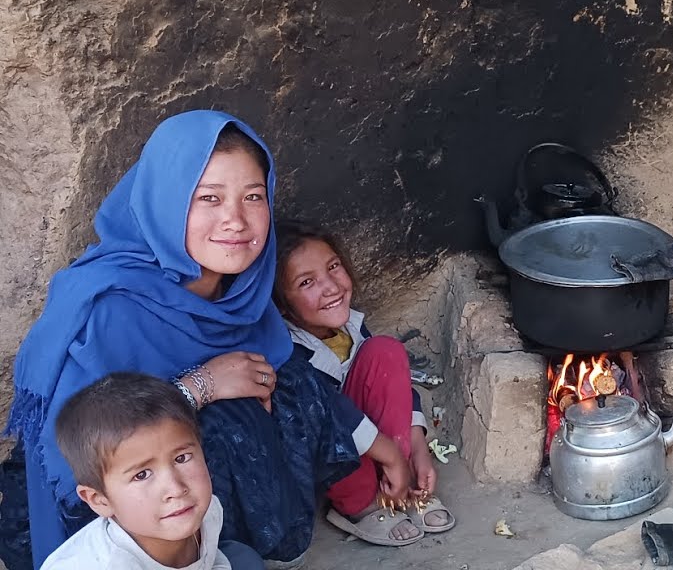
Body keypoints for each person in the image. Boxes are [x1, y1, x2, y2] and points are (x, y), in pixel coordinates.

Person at [4, 111, 418, 569]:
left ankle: (238, 546)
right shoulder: (110, 309)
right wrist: (201, 386)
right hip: (105, 514)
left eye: (253, 197)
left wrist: (390, 451)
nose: (236, 220)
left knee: (282, 381)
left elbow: (302, 383)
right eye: (209, 199)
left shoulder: (242, 291)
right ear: (167, 201)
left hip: (189, 501)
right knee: (228, 415)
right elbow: (85, 452)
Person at [274, 220, 455, 546]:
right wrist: (391, 457)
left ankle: (400, 483)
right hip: (330, 464)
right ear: (282, 305)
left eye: (333, 267)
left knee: (386, 351)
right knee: (332, 418)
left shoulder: (351, 327)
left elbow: (395, 390)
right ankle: (359, 504)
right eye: (306, 282)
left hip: (376, 449)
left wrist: (416, 450)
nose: (330, 286)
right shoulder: (287, 353)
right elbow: (333, 414)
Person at [42, 373, 262, 570]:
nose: (176, 489)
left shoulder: (206, 512)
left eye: (181, 458)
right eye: (142, 475)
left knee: (245, 559)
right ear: (99, 500)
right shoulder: (104, 564)